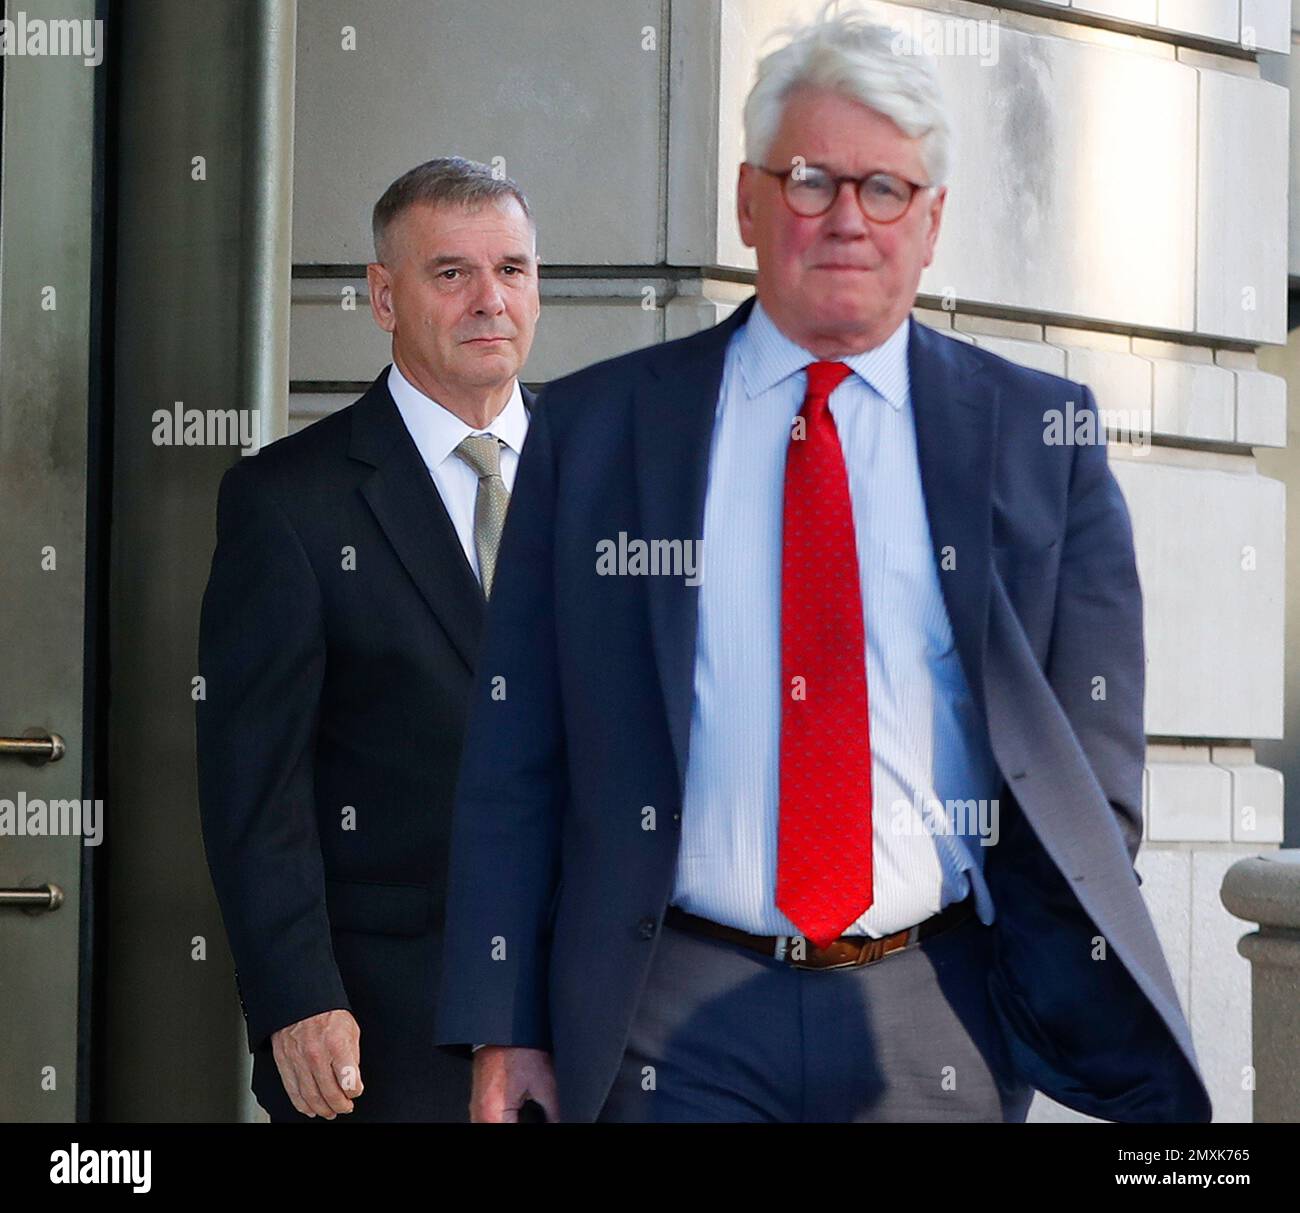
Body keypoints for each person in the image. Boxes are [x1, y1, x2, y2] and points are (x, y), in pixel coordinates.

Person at [435, 11, 1212, 1124]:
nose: (848, 218)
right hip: (669, 1016)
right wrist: (505, 1022)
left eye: (885, 188)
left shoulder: (1041, 436)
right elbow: (517, 751)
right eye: (810, 180)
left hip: (937, 1010)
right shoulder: (600, 432)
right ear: (748, 202)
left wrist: (1043, 958)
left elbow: (1092, 766)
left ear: (932, 221)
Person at [196, 156, 541, 1121]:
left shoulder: (610, 473)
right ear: (384, 297)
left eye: (512, 269)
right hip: (392, 1031)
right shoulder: (288, 502)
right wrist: (297, 994)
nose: (489, 300)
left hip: (604, 1023)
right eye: (451, 273)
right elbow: (255, 784)